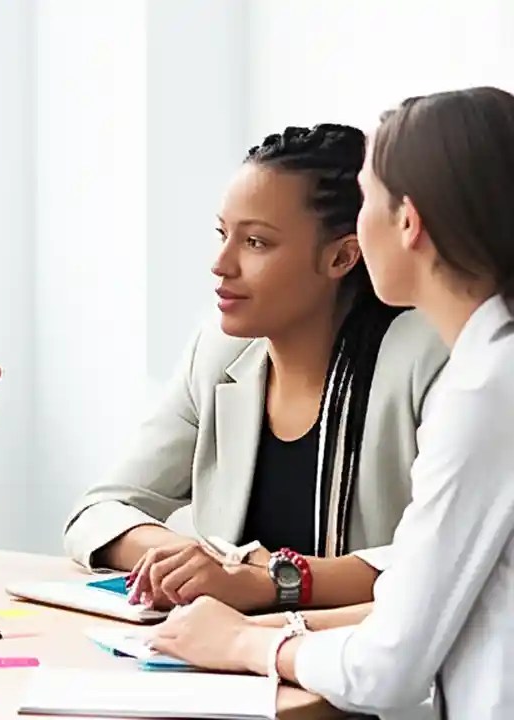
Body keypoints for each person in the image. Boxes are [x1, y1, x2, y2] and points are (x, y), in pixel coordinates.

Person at [150, 86, 514, 720]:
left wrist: (244, 642)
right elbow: (417, 592)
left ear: (409, 223)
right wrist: (277, 614)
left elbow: (386, 671)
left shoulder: (485, 394)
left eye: (366, 200)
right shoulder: (490, 370)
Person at [63, 123, 450, 613]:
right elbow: (97, 511)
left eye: (256, 243)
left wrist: (271, 580)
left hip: (359, 672)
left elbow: (444, 561)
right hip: (224, 663)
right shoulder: (218, 352)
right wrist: (186, 559)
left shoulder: (429, 357)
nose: (221, 264)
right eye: (223, 234)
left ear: (341, 256)